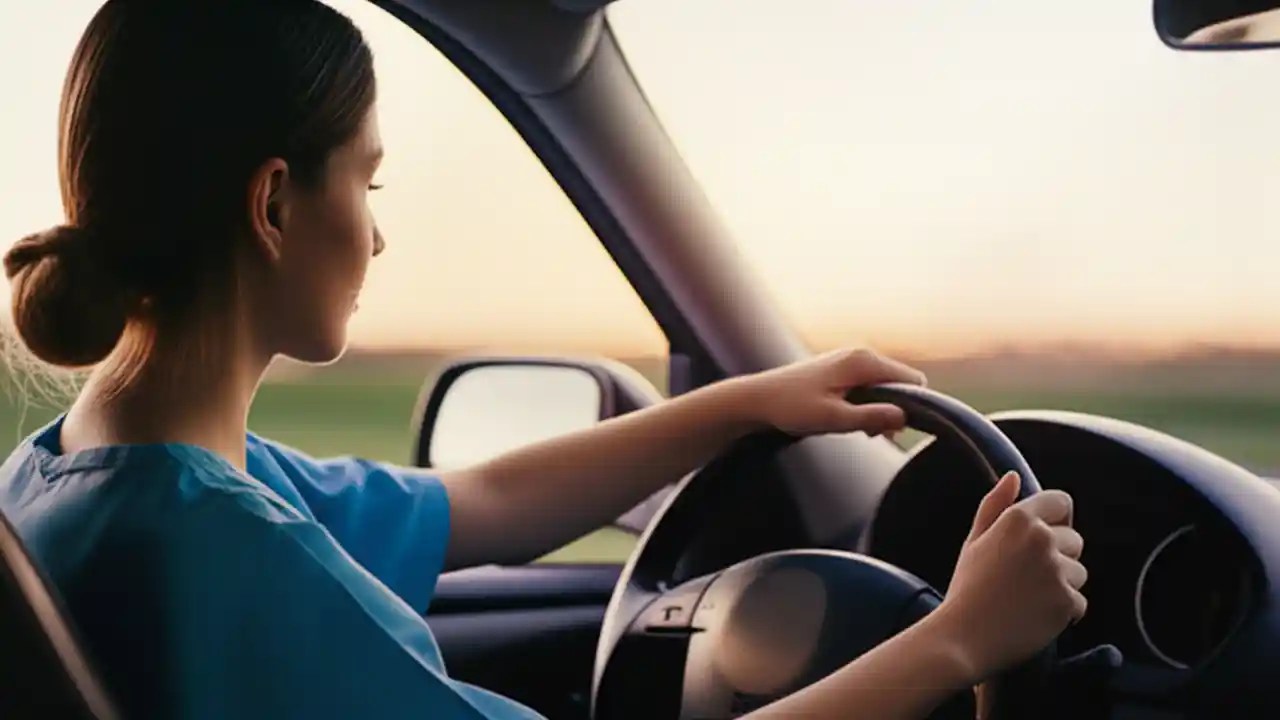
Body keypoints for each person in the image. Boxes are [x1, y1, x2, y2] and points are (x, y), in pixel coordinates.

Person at [0, 1, 1087, 718]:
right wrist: (958, 641)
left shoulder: (80, 478)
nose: (377, 235)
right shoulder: (233, 552)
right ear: (276, 204)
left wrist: (748, 401)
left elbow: (483, 503)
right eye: (367, 183)